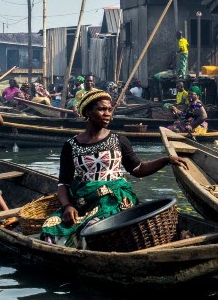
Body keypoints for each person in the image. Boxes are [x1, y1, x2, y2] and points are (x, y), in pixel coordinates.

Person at [40, 89, 189, 248]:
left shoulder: (118, 140)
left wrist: (166, 160)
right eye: (101, 109)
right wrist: (67, 206)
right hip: (84, 201)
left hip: (115, 199)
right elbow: (64, 183)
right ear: (88, 112)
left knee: (93, 228)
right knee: (50, 228)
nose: (107, 114)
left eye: (109, 110)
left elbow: (138, 168)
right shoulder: (71, 145)